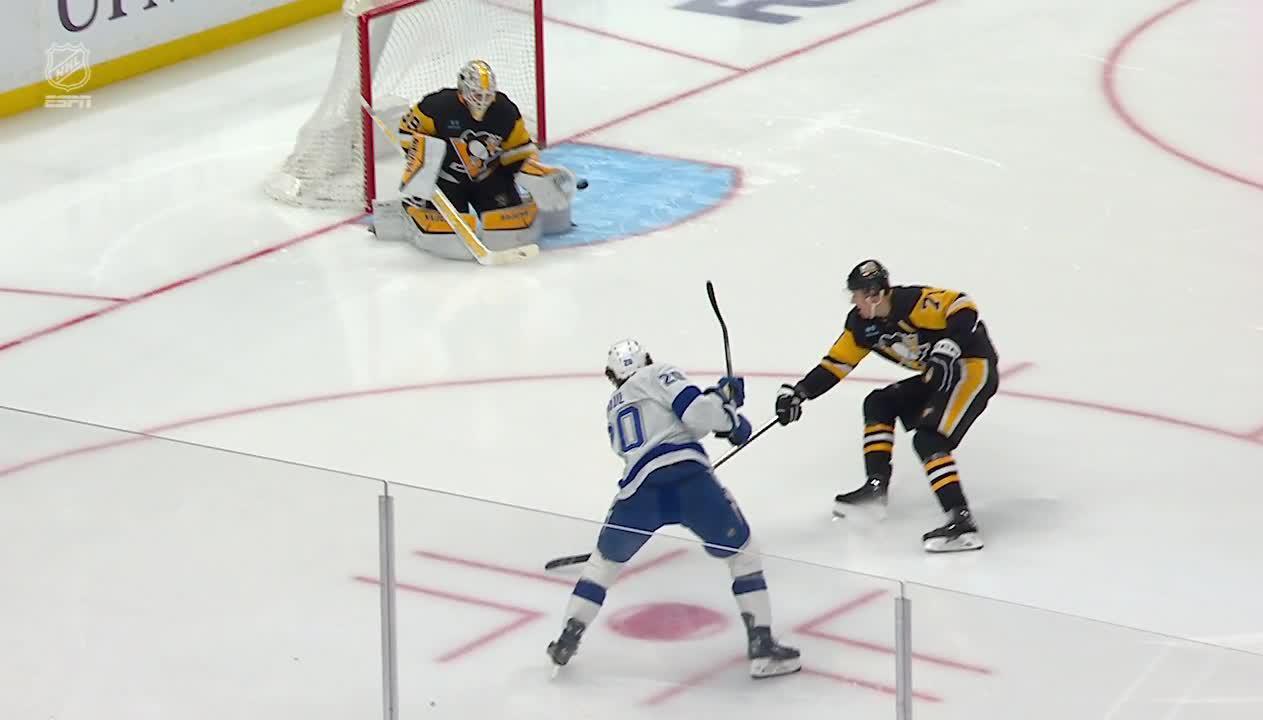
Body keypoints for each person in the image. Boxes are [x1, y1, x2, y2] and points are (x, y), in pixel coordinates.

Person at [546, 339, 801, 679]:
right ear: (647, 360)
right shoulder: (658, 373)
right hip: (687, 481)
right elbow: (695, 414)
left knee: (602, 566)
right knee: (743, 554)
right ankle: (762, 646)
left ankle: (567, 637)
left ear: (612, 376)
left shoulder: (614, 405)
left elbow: (683, 424)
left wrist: (720, 403)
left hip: (637, 492)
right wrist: (726, 410)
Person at [774, 260, 999, 552]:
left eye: (855, 295)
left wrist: (950, 346)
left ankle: (962, 522)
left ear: (874, 295)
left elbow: (963, 306)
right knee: (879, 403)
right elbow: (836, 364)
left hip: (972, 369)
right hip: (939, 375)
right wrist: (799, 393)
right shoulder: (862, 326)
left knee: (929, 439)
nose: (853, 301)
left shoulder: (911, 303)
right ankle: (875, 491)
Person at [371, 59, 577, 260]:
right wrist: (422, 161)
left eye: (488, 95)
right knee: (447, 238)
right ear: (463, 91)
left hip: (489, 178)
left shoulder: (505, 111)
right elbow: (407, 133)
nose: (482, 101)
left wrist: (534, 175)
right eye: (477, 94)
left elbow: (520, 150)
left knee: (507, 235)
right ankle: (407, 210)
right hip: (446, 179)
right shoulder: (437, 106)